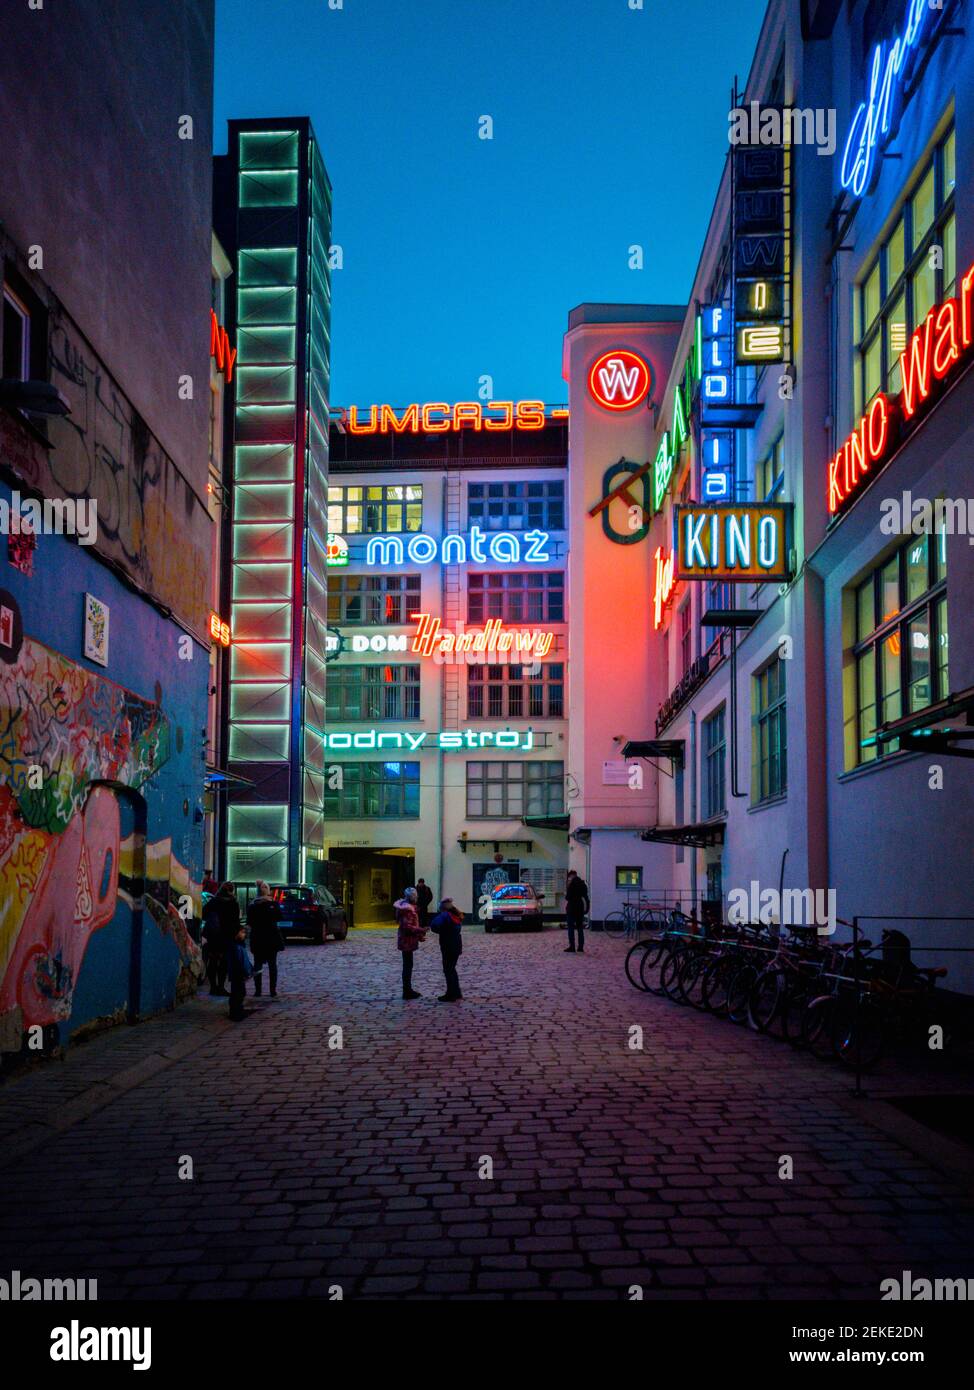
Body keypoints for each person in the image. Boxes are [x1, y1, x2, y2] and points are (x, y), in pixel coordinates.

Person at [201, 881, 240, 995]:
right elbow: (235, 921)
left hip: (213, 935)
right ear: (232, 891)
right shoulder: (233, 902)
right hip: (226, 935)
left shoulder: (214, 901)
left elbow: (204, 914)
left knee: (212, 960)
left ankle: (213, 986)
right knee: (223, 962)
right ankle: (221, 986)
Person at [248, 881, 284, 997]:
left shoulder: (253, 905)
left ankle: (258, 991)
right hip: (271, 938)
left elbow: (250, 921)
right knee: (272, 965)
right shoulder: (273, 904)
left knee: (258, 964)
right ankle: (272, 990)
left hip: (258, 937)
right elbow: (279, 917)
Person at [429, 897, 463, 1002]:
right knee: (452, 969)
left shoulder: (445, 916)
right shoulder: (456, 915)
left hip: (447, 945)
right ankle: (456, 992)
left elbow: (434, 925)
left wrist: (441, 931)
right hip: (457, 944)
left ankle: (450, 994)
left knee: (448, 969)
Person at [394, 887, 426, 999]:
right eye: (415, 896)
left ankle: (408, 989)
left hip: (406, 940)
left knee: (408, 965)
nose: (417, 897)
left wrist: (419, 935)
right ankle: (407, 991)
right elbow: (407, 927)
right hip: (407, 941)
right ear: (412, 897)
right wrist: (420, 930)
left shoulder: (407, 908)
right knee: (407, 966)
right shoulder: (407, 910)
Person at [226, 922, 254, 1021]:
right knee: (237, 994)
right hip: (237, 974)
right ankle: (235, 1013)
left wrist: (250, 969)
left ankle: (237, 1011)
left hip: (239, 974)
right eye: (242, 932)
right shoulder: (234, 946)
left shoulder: (239, 945)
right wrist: (244, 972)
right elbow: (238, 962)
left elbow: (244, 960)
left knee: (240, 993)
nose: (244, 934)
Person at [564, 869, 590, 954]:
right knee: (580, 928)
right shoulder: (583, 884)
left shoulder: (571, 884)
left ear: (571, 876)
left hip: (571, 908)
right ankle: (580, 947)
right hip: (580, 908)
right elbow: (586, 897)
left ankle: (572, 946)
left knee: (571, 928)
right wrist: (587, 909)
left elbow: (567, 897)